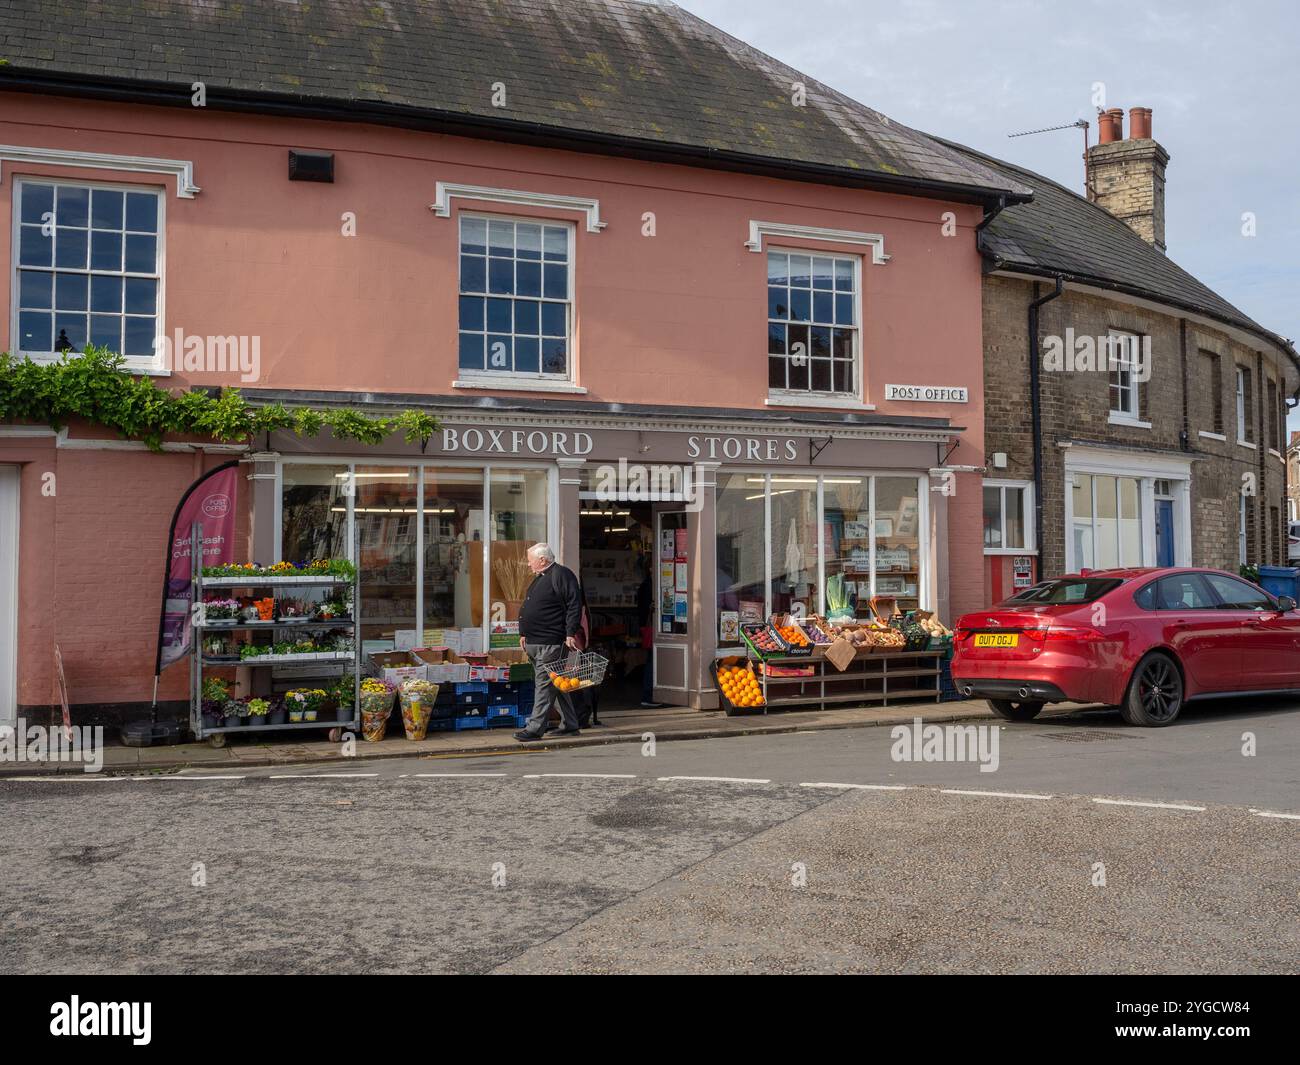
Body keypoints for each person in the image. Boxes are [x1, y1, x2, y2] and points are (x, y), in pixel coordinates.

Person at [514, 543, 583, 741]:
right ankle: (570, 724)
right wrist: (523, 633)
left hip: (551, 642)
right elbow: (530, 607)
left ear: (542, 559)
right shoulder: (540, 578)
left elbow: (573, 604)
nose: (528, 565)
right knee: (557, 683)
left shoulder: (561, 574)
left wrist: (570, 632)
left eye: (530, 560)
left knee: (543, 685)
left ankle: (535, 728)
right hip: (536, 641)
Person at [636, 561, 666, 708]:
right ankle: (649, 695)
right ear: (650, 568)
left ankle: (651, 694)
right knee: (652, 661)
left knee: (652, 660)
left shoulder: (648, 585)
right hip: (651, 628)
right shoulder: (649, 586)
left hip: (650, 627)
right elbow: (644, 609)